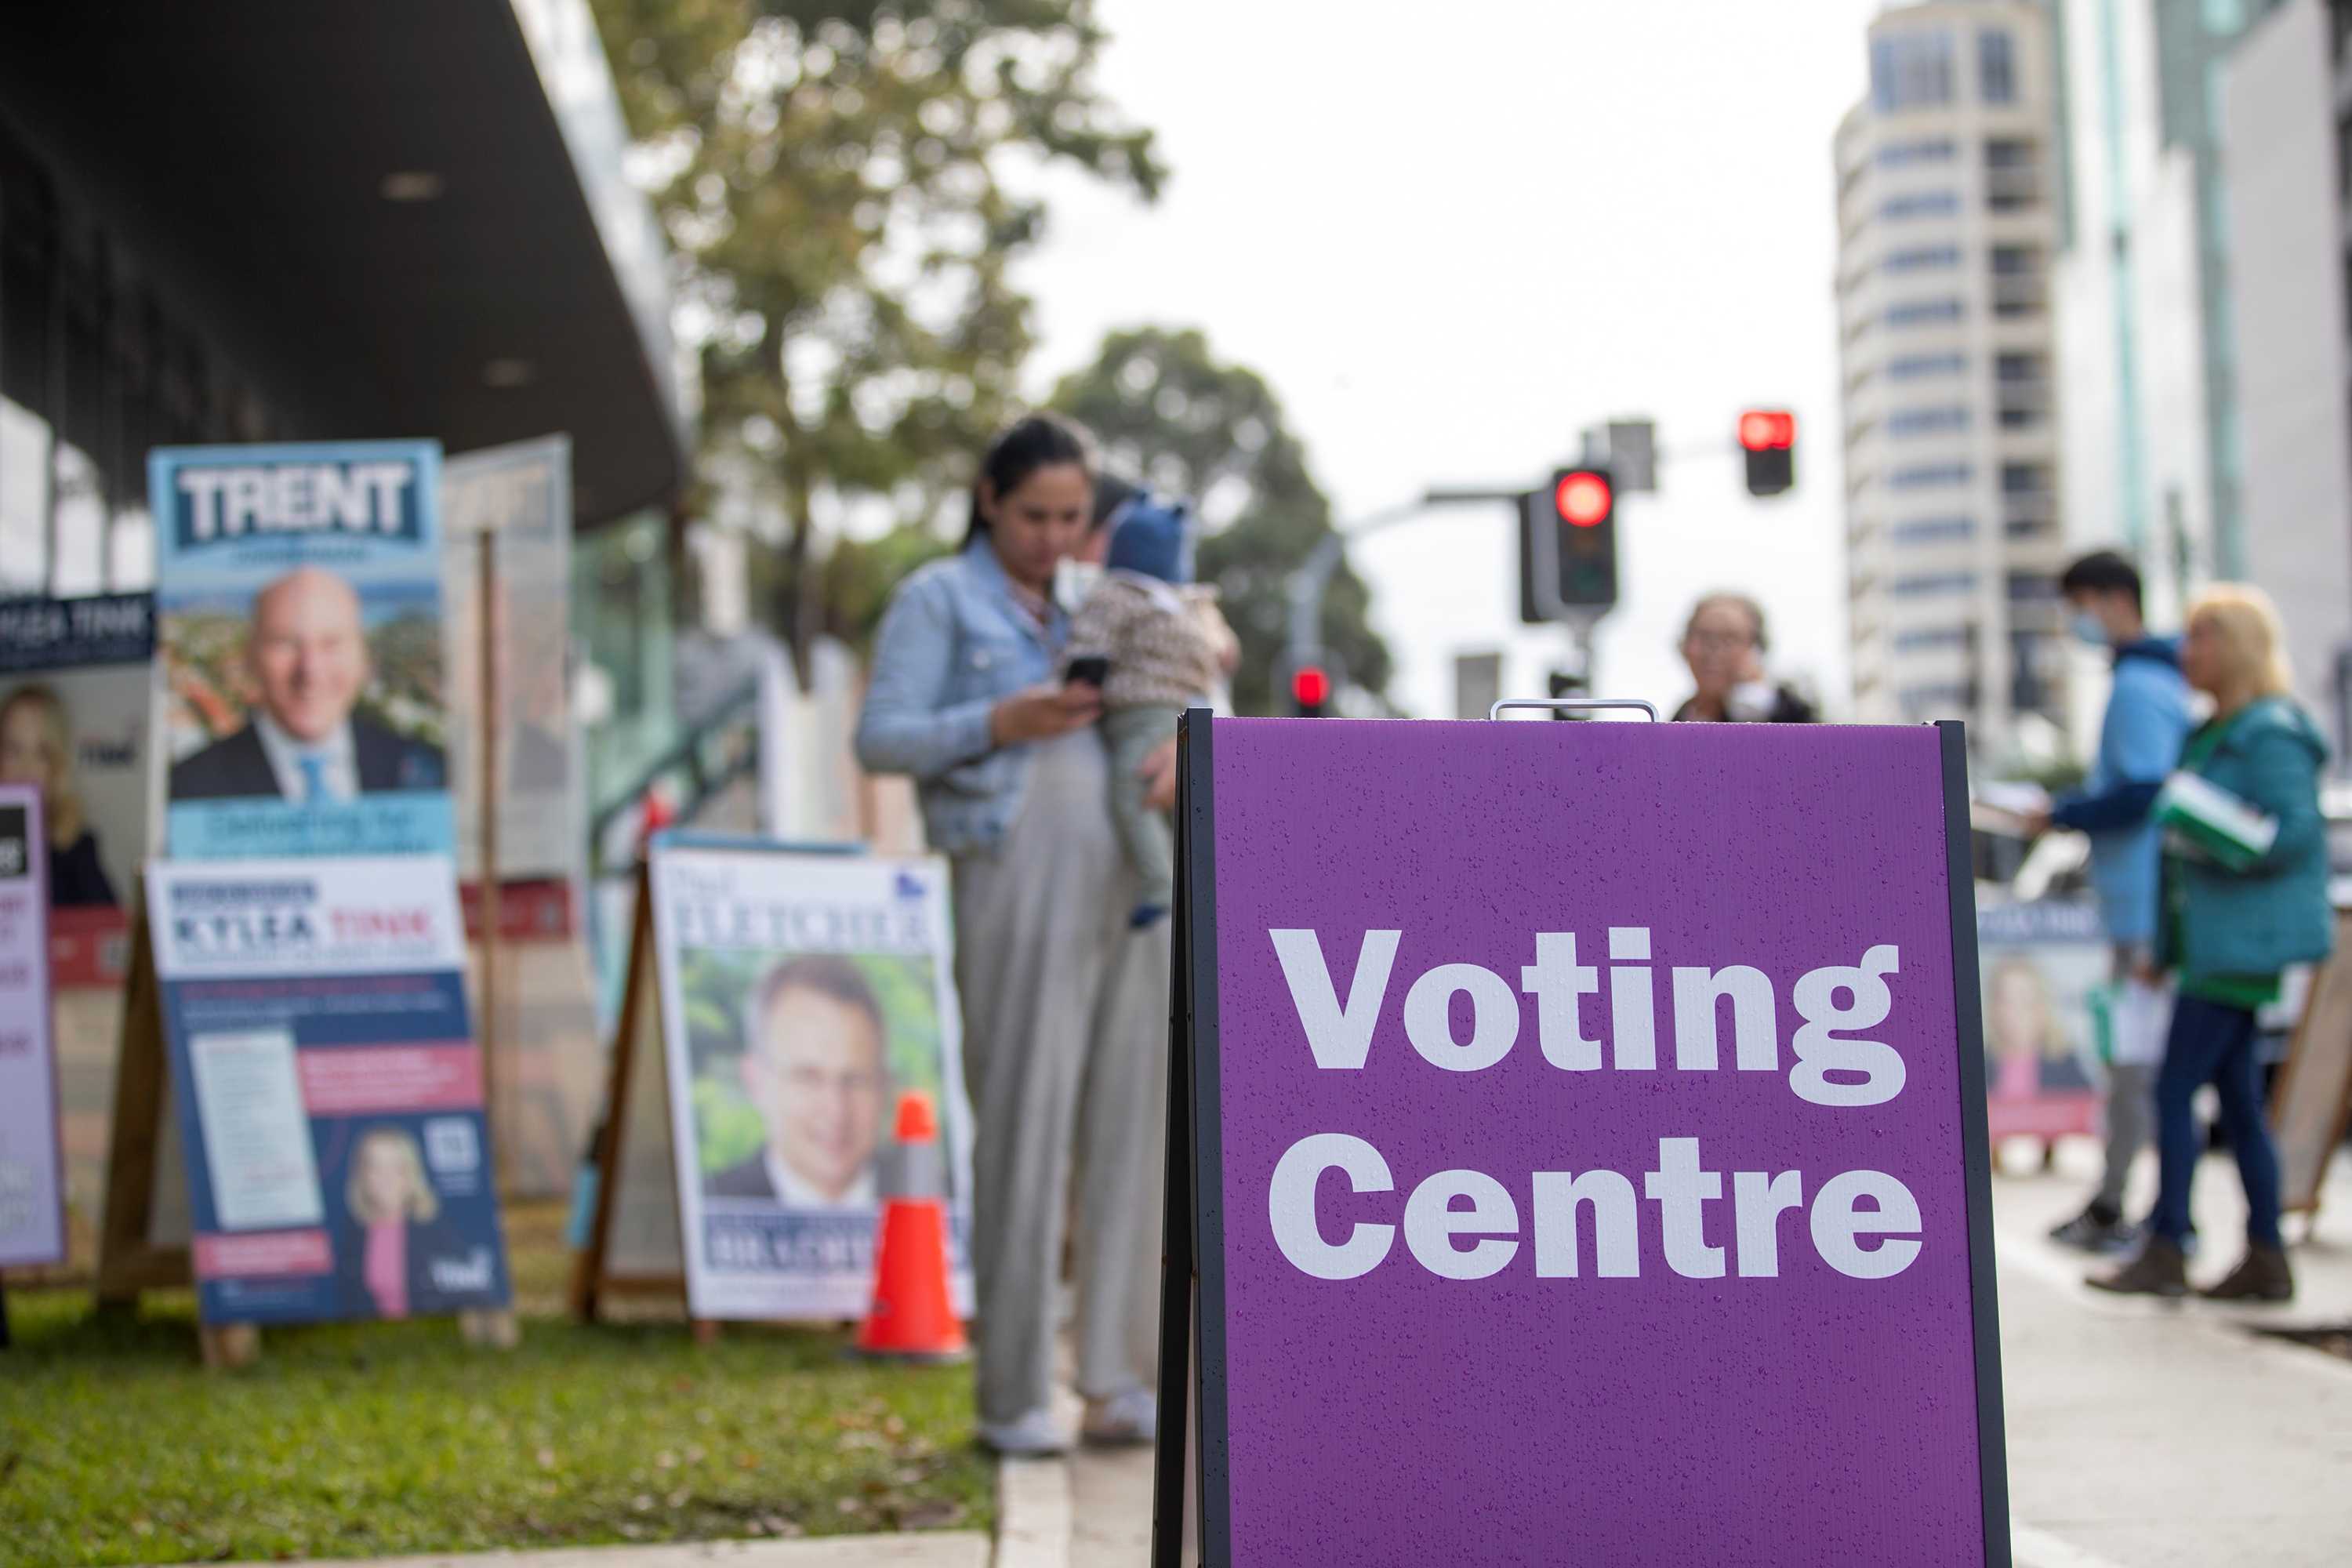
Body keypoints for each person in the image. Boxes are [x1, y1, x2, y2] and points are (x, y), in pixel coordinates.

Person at [855, 412, 1169, 1457]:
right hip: (1012, 868)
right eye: (1034, 514)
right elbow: (882, 736)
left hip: (1127, 876)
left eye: (1072, 516)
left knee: (1133, 1126)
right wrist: (1001, 721)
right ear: (990, 499)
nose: (1052, 535)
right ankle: (1017, 1392)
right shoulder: (938, 599)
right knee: (1027, 1127)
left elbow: (1177, 664)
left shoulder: (1097, 598)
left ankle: (1120, 1375)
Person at [2092, 586, 2331, 1301]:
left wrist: (2219, 832)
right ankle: (2264, 1252)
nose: (2186, 652)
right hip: (2209, 945)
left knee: (2174, 1088)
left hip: (2242, 948)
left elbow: (2292, 830)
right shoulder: (2214, 730)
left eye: (2201, 638)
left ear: (2237, 647)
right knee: (2237, 1103)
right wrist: (2164, 947)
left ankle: (2170, 1242)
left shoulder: (2270, 731)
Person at [2027, 550, 2192, 1252]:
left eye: (2078, 608)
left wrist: (2063, 812)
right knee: (2155, 1073)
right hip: (2143, 907)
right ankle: (2133, 1208)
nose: (2076, 625)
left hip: (2145, 916)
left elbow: (2145, 791)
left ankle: (2134, 1213)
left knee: (2140, 1073)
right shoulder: (2155, 679)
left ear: (2108, 599)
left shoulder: (2140, 686)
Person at [1065, 489, 1234, 928]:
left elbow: (1091, 642)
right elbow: (1219, 661)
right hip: (1188, 711)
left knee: (1132, 795)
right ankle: (1204, 886)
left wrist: (1080, 680)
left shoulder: (1116, 594)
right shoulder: (1191, 608)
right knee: (1186, 809)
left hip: (1142, 712)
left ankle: (1161, 882)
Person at [169, 565, 444, 801]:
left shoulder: (426, 771)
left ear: (363, 656)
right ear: (251, 656)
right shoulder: (188, 786)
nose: (310, 671)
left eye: (332, 643)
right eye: (286, 643)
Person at [706, 955, 891, 1207]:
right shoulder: (710, 1199)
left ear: (885, 1086)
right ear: (755, 1081)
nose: (836, 1109)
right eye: (808, 1078)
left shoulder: (943, 1194)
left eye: (856, 1080)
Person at [0, 684, 117, 906]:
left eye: (42, 753)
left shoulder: (76, 847)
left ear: (57, 764)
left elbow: (108, 927)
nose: (26, 768)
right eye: (13, 750)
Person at [337, 1126, 447, 1320]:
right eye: (375, 1168)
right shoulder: (350, 1237)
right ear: (362, 1177)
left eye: (396, 1168)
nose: (386, 1178)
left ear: (411, 1175)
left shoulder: (436, 1231)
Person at [1670, 593, 1818, 723]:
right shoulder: (1678, 720)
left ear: (1755, 650)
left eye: (1729, 639)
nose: (1714, 651)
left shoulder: (1793, 714)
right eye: (1704, 637)